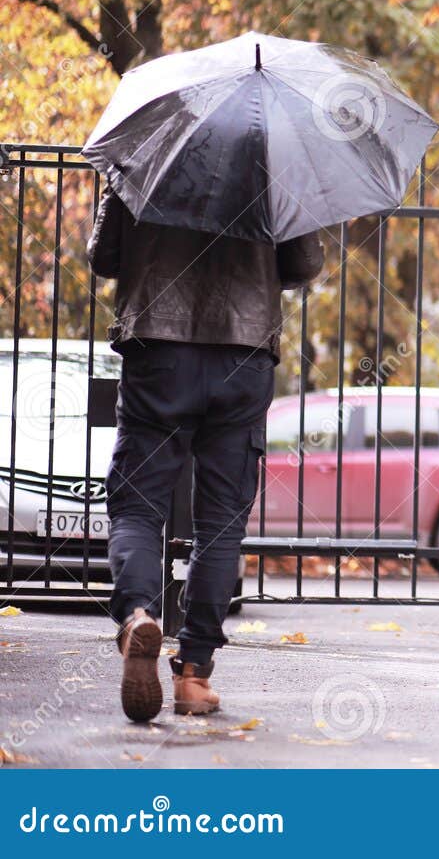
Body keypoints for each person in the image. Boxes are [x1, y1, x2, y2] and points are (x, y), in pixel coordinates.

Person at [88, 188, 323, 722]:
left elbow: (103, 258)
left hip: (157, 347)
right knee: (221, 522)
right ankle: (194, 677)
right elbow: (304, 264)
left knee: (137, 504)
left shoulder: (147, 153)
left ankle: (138, 617)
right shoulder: (277, 162)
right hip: (243, 355)